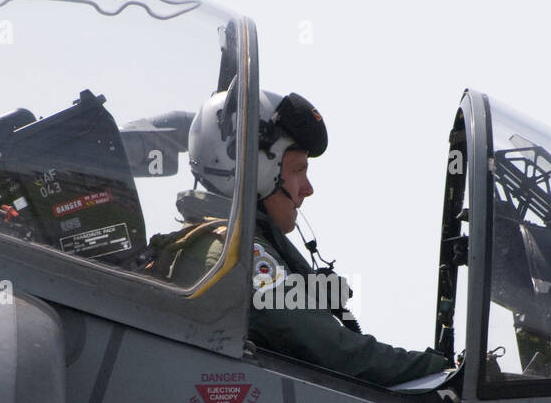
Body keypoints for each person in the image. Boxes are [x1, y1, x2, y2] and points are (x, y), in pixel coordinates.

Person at [149, 84, 451, 387]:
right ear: (260, 169)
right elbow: (335, 351)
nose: (307, 188)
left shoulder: (213, 243)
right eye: (298, 170)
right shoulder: (235, 256)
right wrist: (440, 371)